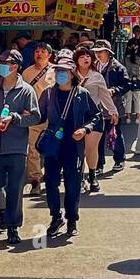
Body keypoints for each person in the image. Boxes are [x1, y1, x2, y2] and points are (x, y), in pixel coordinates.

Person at [0, 48, 40, 243]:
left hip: (17, 149)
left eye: (7, 63)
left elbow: (36, 116)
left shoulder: (26, 90)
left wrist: (15, 118)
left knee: (15, 189)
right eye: (1, 63)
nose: (2, 66)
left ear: (15, 66)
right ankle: (1, 210)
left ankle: (13, 227)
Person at [38, 49, 101, 239]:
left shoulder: (82, 94)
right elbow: (39, 115)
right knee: (50, 182)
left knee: (73, 185)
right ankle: (55, 217)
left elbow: (96, 116)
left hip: (73, 146)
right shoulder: (48, 94)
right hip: (52, 146)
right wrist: (23, 116)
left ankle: (72, 219)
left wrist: (85, 129)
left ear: (72, 73)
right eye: (57, 71)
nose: (60, 74)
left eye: (64, 71)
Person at [73, 45, 117, 194]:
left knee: (91, 148)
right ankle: (79, 178)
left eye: (88, 56)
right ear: (76, 60)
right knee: (78, 150)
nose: (85, 59)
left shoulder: (97, 76)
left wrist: (112, 111)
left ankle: (92, 176)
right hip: (75, 116)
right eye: (81, 56)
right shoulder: (70, 75)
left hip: (94, 116)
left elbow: (104, 95)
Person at [22, 40, 55, 196]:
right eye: (36, 51)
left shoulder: (56, 72)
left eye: (42, 51)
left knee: (52, 147)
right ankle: (35, 180)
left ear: (49, 55)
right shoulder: (26, 73)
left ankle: (51, 176)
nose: (39, 54)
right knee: (33, 149)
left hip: (52, 116)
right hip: (34, 116)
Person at [94, 39, 130, 172]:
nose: (98, 54)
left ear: (108, 52)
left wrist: (114, 90)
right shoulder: (93, 66)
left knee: (114, 133)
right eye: (96, 52)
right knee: (97, 136)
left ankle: (119, 159)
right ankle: (98, 164)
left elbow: (126, 85)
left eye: (101, 51)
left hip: (113, 106)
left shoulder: (118, 67)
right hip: (96, 107)